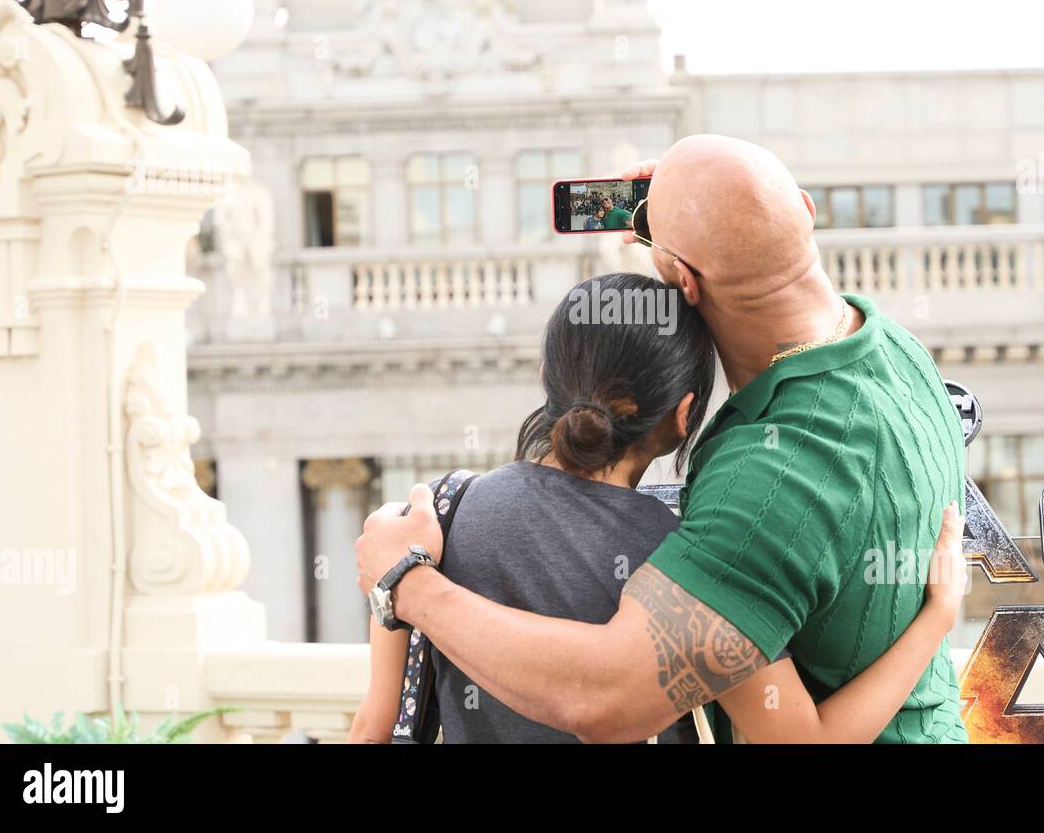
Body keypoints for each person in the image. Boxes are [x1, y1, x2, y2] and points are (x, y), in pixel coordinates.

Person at [357, 134, 969, 743]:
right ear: (805, 211)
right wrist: (698, 209)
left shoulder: (766, 483)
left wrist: (407, 585)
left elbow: (609, 700)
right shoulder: (898, 352)